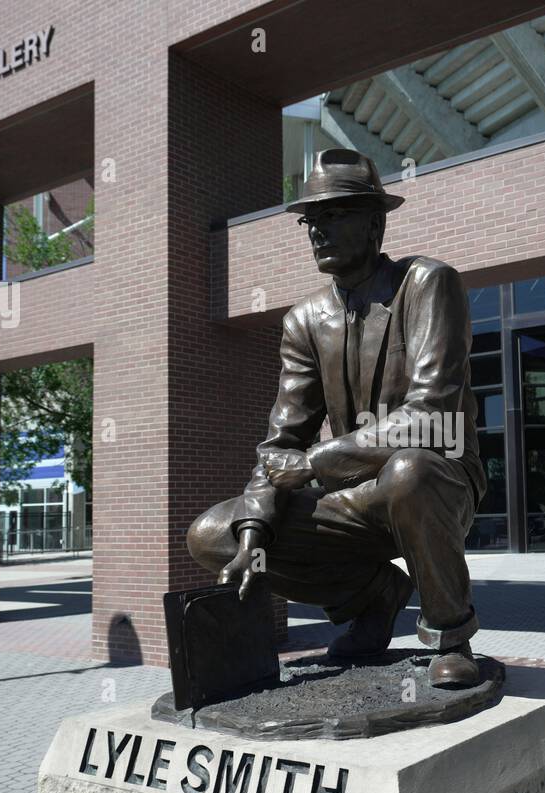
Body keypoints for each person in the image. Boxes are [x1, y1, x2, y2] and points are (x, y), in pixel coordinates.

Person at [186, 149, 486, 687]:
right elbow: (281, 443)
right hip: (354, 495)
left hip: (437, 481)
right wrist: (253, 534)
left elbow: (432, 415)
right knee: (212, 535)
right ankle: (373, 595)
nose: (317, 231)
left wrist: (315, 463)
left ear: (375, 224)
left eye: (334, 215)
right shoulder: (304, 320)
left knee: (409, 470)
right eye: (311, 220)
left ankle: (450, 634)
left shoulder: (426, 284)